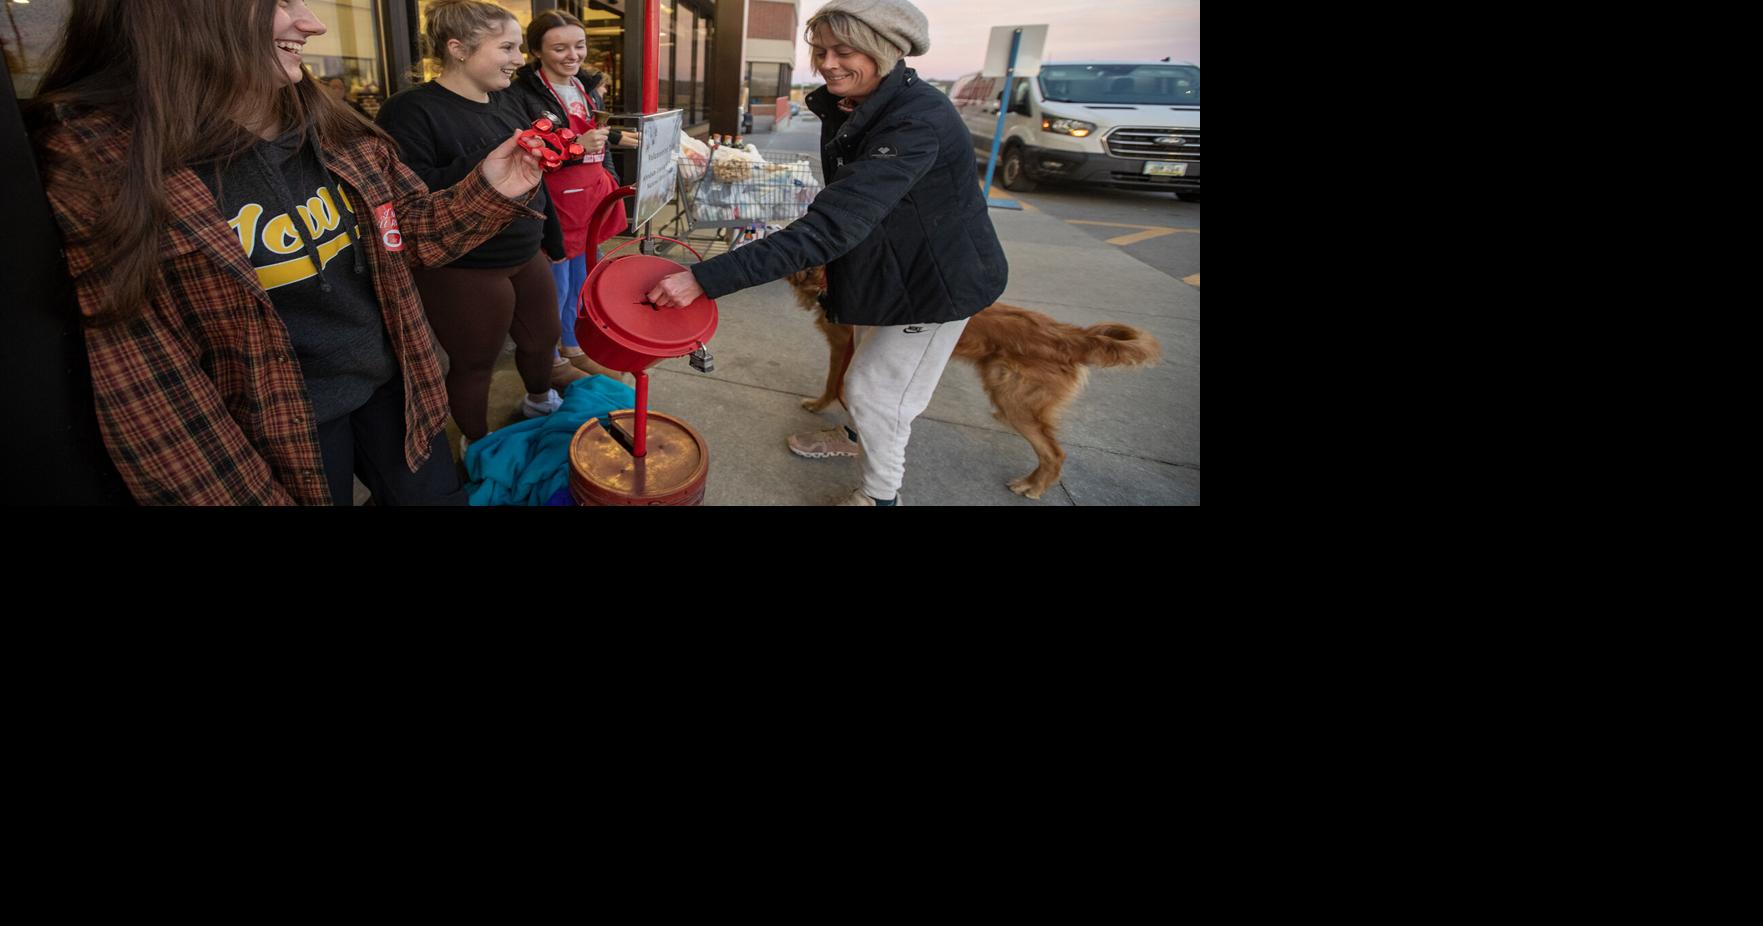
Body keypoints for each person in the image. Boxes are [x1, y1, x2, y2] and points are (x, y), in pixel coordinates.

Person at [28, 0, 548, 505]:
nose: (314, 23)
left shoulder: (330, 124)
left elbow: (407, 234)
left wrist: (491, 188)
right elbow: (151, 390)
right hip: (276, 429)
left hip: (394, 386)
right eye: (280, 1)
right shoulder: (100, 164)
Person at [646, 0, 1008, 506]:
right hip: (888, 265)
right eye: (820, 51)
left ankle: (881, 496)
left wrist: (704, 278)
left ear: (885, 51)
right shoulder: (856, 103)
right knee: (863, 375)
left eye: (844, 51)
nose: (828, 63)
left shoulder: (915, 119)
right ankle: (856, 437)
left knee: (877, 393)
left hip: (937, 279)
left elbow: (836, 223)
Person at [375, 0, 566, 456]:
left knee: (544, 338)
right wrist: (491, 163)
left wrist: (552, 237)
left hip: (524, 251)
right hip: (463, 265)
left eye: (519, 47)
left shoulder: (506, 101)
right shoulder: (408, 110)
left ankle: (541, 404)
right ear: (458, 49)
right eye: (507, 47)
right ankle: (476, 444)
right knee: (475, 361)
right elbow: (409, 195)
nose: (520, 59)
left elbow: (535, 178)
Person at [509, 9, 628, 382]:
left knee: (583, 277)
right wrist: (575, 144)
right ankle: (551, 359)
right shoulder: (522, 95)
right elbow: (522, 151)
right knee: (554, 284)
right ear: (537, 52)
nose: (572, 55)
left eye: (579, 46)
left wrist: (608, 176)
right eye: (559, 48)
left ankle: (573, 345)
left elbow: (600, 137)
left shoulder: (586, 87)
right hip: (554, 197)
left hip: (589, 193)